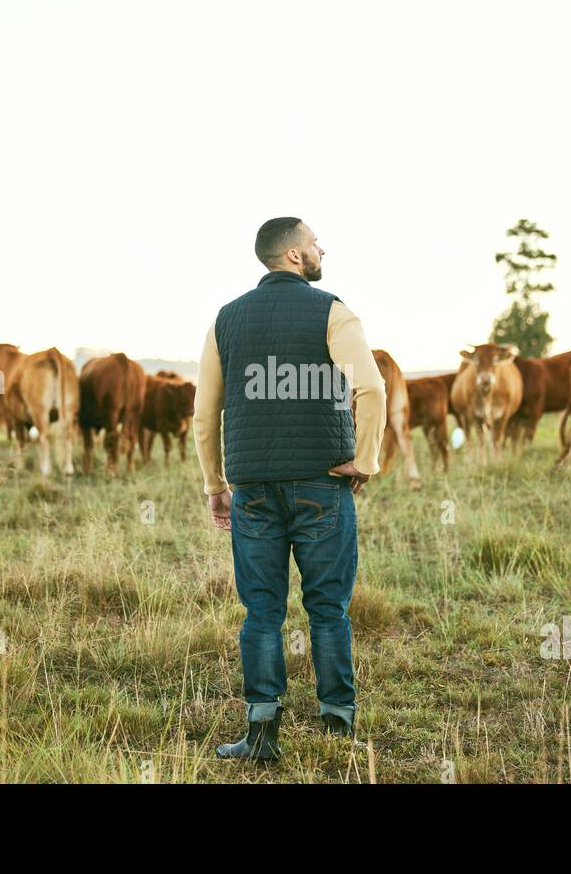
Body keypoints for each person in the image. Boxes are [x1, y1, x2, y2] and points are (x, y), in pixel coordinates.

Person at [192, 217, 387, 762]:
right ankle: (338, 727)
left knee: (261, 611)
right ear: (296, 257)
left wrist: (215, 484)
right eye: (315, 241)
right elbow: (370, 387)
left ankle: (260, 734)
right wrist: (365, 459)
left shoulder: (224, 320)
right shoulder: (332, 310)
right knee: (328, 608)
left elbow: (205, 415)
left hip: (252, 487)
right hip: (322, 483)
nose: (323, 246)